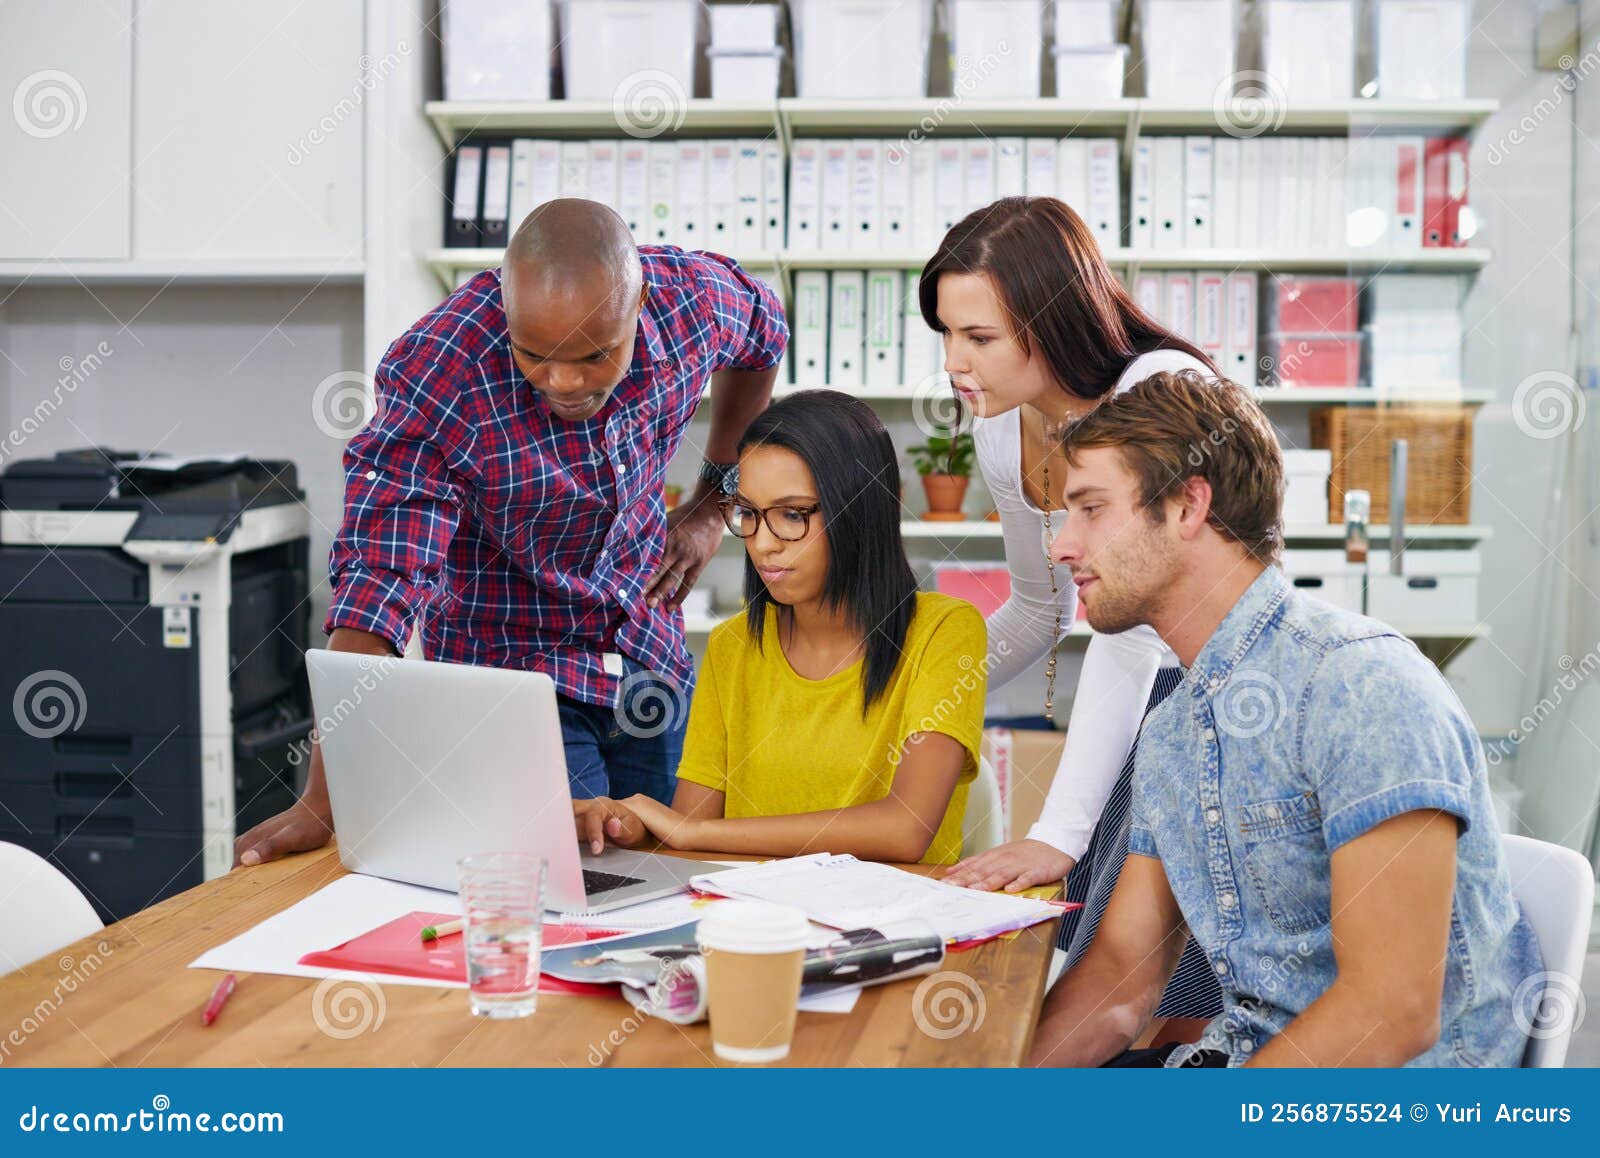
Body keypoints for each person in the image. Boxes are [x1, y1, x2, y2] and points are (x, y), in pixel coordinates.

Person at [234, 200, 788, 869]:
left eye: (595, 355)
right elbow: (377, 586)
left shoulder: (689, 301)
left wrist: (710, 504)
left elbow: (765, 331)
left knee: (676, 882)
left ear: (641, 304)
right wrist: (326, 801)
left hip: (648, 653)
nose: (564, 382)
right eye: (536, 354)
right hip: (516, 677)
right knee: (559, 890)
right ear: (503, 306)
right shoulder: (440, 371)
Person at [1028, 369, 1543, 1067]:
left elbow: (1390, 1011)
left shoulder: (1360, 688)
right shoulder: (1175, 730)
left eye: (1090, 509)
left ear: (1187, 506)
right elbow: (1124, 974)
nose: (1061, 546)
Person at [924, 196, 1222, 1028]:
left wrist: (1062, 831)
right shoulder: (998, 427)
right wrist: (922, 697)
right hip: (1126, 707)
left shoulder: (1160, 396)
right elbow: (1037, 609)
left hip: (1209, 704)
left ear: (1051, 325)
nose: (955, 361)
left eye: (979, 338)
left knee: (1153, 1000)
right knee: (1089, 986)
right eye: (946, 334)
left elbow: (1134, 636)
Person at [574, 390, 985, 865]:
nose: (763, 544)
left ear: (859, 509)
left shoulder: (946, 630)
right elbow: (693, 839)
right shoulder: (733, 646)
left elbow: (905, 829)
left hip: (893, 927)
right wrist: (628, 826)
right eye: (748, 513)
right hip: (761, 928)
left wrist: (693, 833)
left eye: (792, 515)